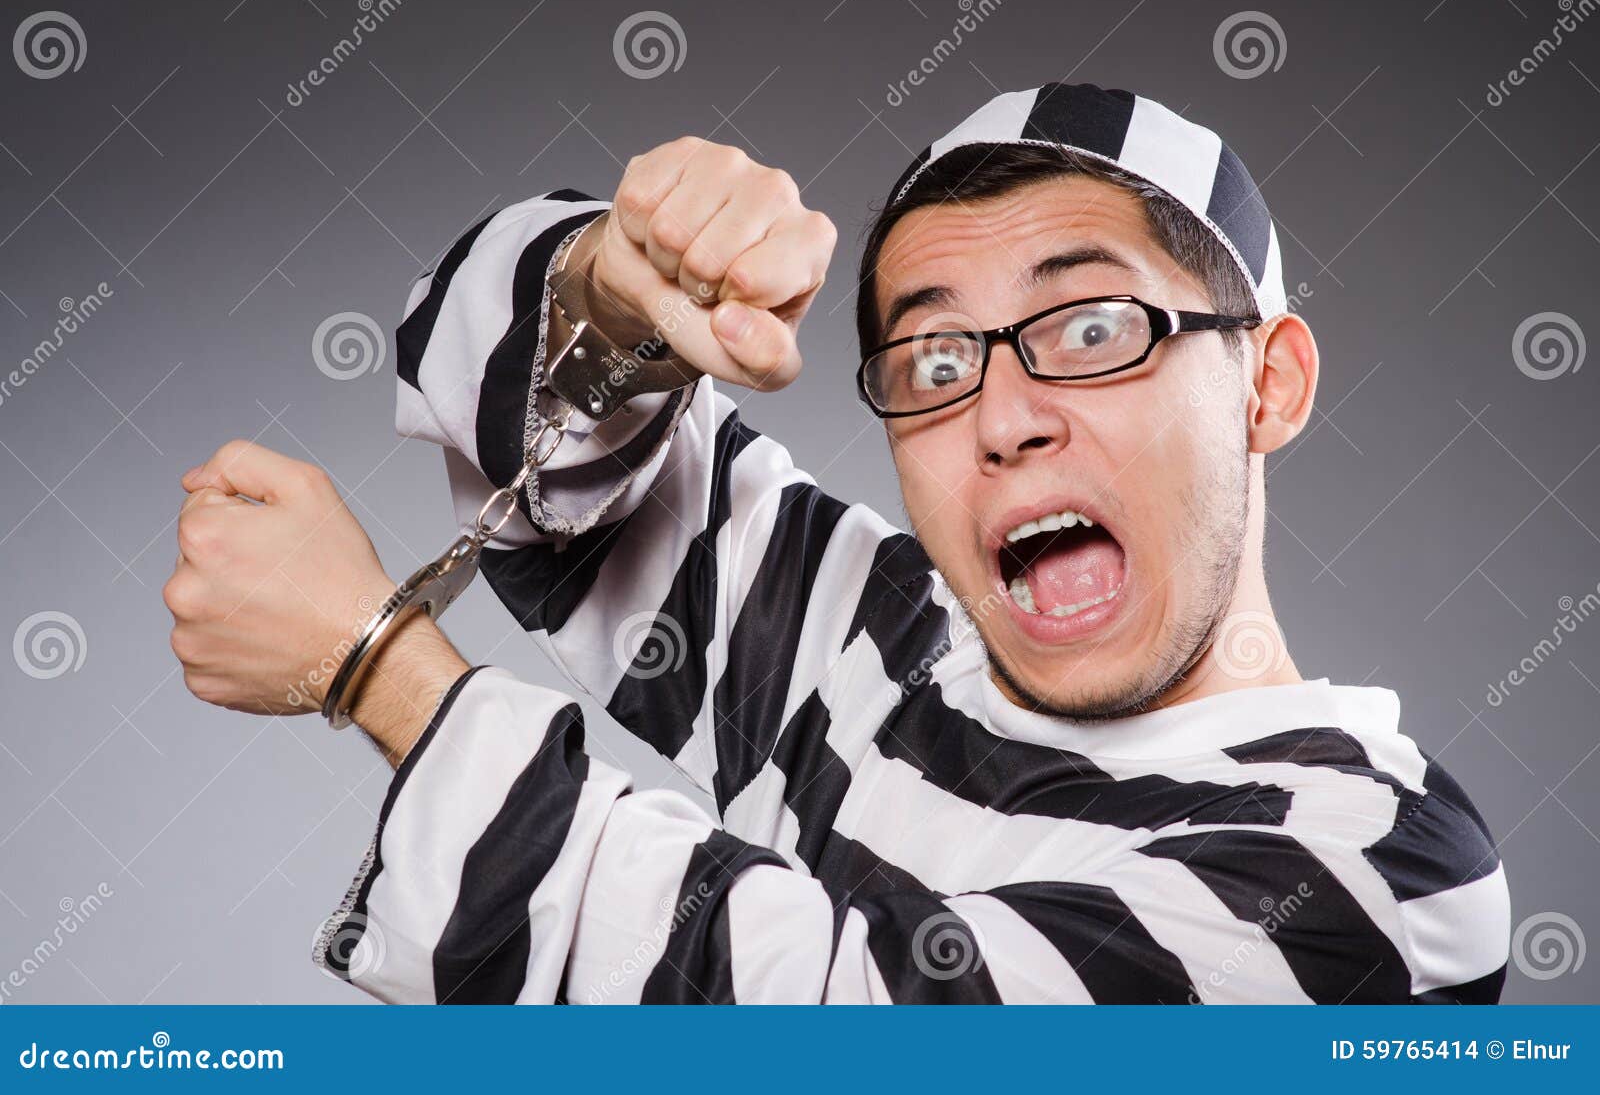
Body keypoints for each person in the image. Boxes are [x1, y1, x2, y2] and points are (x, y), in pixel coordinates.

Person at [163, 82, 1509, 1003]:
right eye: (934, 353)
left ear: (1267, 383)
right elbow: (563, 483)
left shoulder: (1378, 869)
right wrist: (620, 293)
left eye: (1093, 326)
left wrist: (377, 671)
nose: (1005, 417)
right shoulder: (893, 648)